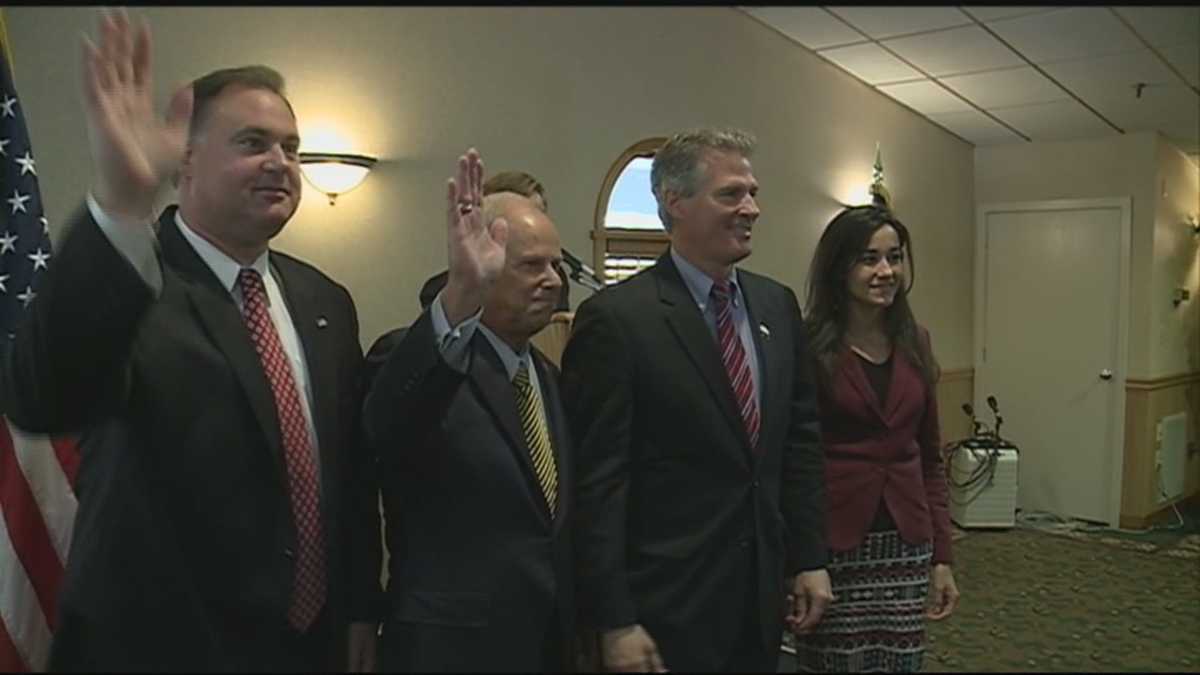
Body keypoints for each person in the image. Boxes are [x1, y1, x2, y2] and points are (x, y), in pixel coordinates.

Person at [0, 11, 381, 671]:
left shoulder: (326, 302)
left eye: (291, 147)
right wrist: (119, 204)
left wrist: (356, 608)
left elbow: (343, 475)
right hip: (159, 648)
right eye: (253, 142)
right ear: (185, 159)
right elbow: (42, 395)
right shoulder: (134, 280)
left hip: (306, 650)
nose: (280, 163)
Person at [560, 127, 833, 672]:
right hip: (665, 607)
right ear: (675, 202)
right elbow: (598, 482)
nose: (751, 208)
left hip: (760, 597)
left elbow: (799, 442)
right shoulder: (618, 320)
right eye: (731, 194)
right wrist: (613, 618)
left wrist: (809, 558)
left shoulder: (775, 306)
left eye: (753, 193)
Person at [363, 149, 575, 672]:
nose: (552, 280)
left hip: (548, 643)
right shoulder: (420, 358)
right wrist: (461, 295)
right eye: (531, 265)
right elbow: (383, 428)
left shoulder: (547, 377)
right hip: (450, 648)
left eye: (557, 264)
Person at [793, 204, 959, 672]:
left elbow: (929, 457)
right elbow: (795, 459)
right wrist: (802, 556)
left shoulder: (916, 340)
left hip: (907, 540)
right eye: (869, 258)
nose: (886, 271)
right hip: (834, 543)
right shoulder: (807, 346)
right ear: (839, 267)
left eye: (895, 257)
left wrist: (941, 557)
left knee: (901, 663)